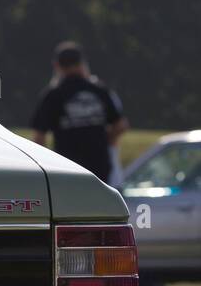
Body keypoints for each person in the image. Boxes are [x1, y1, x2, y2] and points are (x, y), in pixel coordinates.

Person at [31, 42, 129, 184]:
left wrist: (45, 167)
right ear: (82, 63)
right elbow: (121, 125)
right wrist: (106, 141)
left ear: (57, 66)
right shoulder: (99, 89)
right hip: (101, 172)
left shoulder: (54, 94)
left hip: (68, 172)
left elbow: (39, 136)